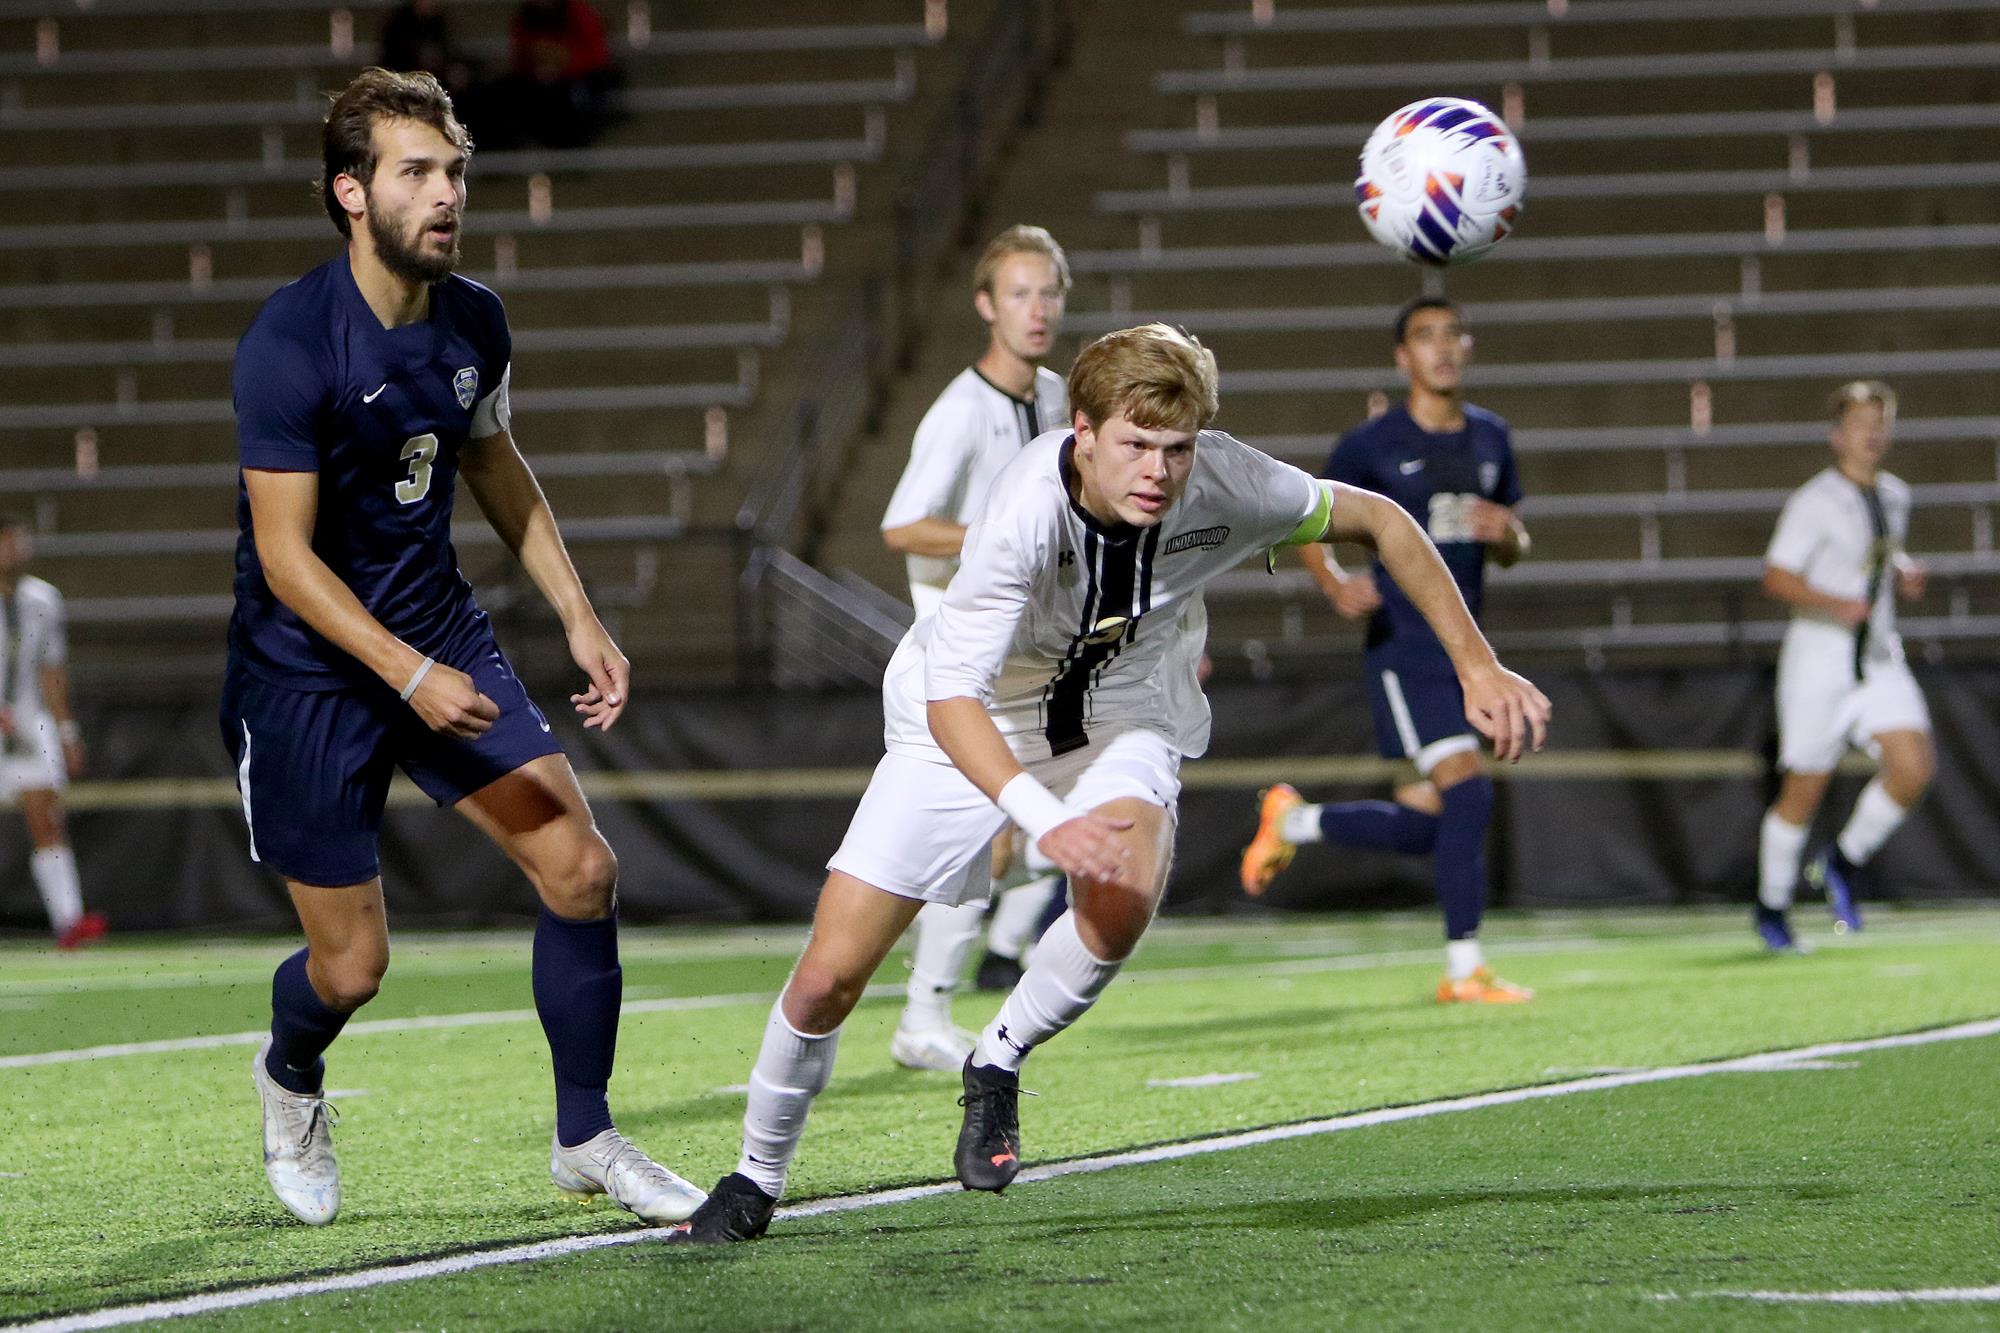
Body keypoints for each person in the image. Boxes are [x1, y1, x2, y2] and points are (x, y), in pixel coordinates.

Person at [664, 324, 1550, 1244]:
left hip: (1122, 712)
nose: (1159, 470)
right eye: (1134, 443)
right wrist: (1043, 818)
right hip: (967, 721)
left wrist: (1478, 667)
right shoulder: (1023, 510)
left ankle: (996, 1059)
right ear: (1079, 430)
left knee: (1122, 894)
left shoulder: (1226, 477)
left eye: (1177, 447)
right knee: (826, 981)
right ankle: (753, 1179)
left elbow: (1384, 520)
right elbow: (953, 704)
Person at [223, 68, 701, 1229]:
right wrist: (404, 675)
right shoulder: (289, 340)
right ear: (351, 192)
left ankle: (584, 1136)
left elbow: (493, 462)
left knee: (581, 869)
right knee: (351, 971)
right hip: (310, 670)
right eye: (418, 174)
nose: (447, 196)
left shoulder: (473, 318)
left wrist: (578, 613)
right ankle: (290, 1075)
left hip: (437, 629)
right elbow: (285, 561)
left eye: (456, 173)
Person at [1239, 297, 1534, 1003]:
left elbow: (1517, 544)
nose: (1442, 348)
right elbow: (1299, 518)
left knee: (1430, 826)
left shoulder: (1491, 438)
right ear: (1403, 357)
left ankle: (1294, 819)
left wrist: (1510, 537)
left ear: (1468, 346)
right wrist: (1334, 581)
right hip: (1405, 651)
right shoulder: (1370, 444)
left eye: (1452, 334)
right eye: (1425, 337)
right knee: (1468, 789)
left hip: (1464, 649)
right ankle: (1465, 970)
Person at [878, 225, 1073, 1069]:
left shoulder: (1061, 395)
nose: (1038, 309)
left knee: (1044, 827)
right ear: (987, 305)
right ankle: (922, 1012)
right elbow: (902, 526)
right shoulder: (960, 410)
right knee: (992, 831)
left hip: (1027, 653)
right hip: (957, 653)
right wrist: (999, 534)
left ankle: (927, 986)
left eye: (1049, 292)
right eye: (1020, 293)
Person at [1753, 381, 1932, 951]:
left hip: (1877, 654)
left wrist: (1902, 572)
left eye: (1881, 421)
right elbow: (1776, 575)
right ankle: (1772, 904)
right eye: (1861, 422)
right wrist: (1834, 602)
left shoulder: (1895, 495)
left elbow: (1874, 551)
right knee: (1804, 788)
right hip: (1820, 657)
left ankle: (1843, 863)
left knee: (1913, 766)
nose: (1873, 432)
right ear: (1838, 435)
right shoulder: (1814, 501)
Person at [0, 516, 101, 950]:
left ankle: (69, 921)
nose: (15, 549)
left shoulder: (42, 598)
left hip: (26, 719)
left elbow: (52, 670)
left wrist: (66, 730)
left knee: (47, 818)